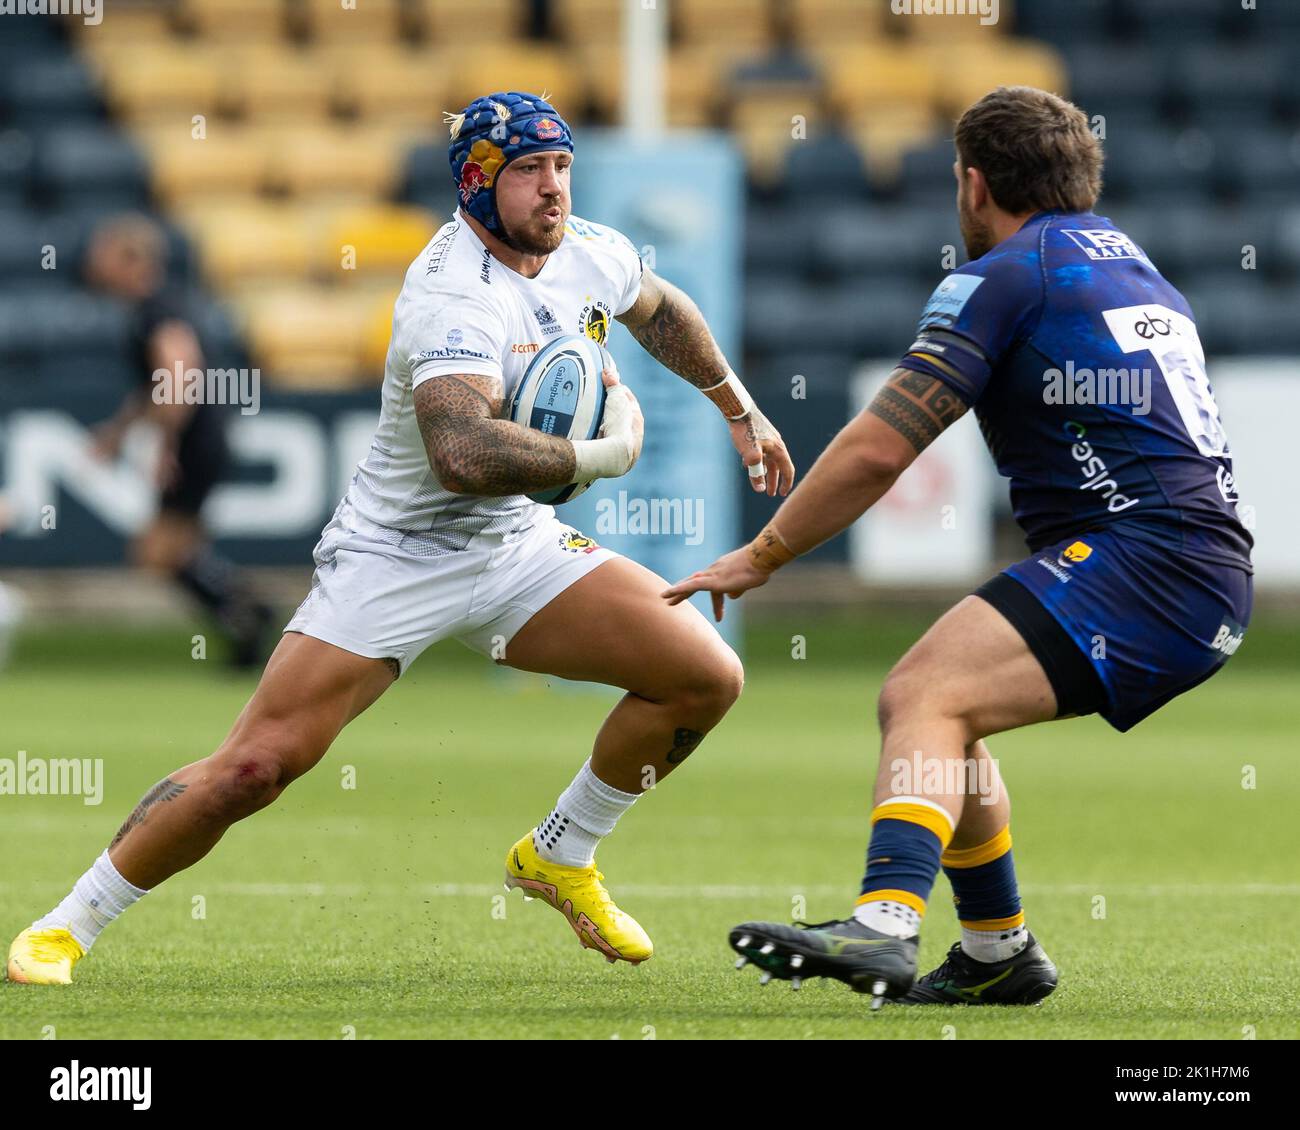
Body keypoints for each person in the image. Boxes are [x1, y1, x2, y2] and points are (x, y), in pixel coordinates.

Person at [7, 92, 794, 985]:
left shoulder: (589, 251)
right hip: (397, 554)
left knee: (703, 674)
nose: (554, 190)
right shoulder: (450, 292)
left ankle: (559, 854)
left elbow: (660, 308)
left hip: (512, 544)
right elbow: (459, 453)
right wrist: (595, 453)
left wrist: (740, 407)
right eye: (530, 171)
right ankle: (64, 927)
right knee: (256, 768)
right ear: (477, 181)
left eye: (563, 167)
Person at [664, 86, 1253, 1007]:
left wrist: (764, 553)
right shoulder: (1129, 263)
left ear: (974, 185)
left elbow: (878, 448)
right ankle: (996, 953)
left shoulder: (1008, 273)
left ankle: (886, 924)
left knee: (922, 695)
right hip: (1194, 562)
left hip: (1150, 558)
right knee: (951, 707)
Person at [84, 214, 273, 668]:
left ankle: (249, 612)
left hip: (194, 438)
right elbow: (158, 383)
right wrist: (117, 433)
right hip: (204, 434)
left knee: (156, 552)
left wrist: (165, 444)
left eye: (104, 254)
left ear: (131, 258)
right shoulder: (164, 304)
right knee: (177, 550)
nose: (93, 264)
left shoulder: (156, 308)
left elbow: (179, 371)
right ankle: (247, 616)